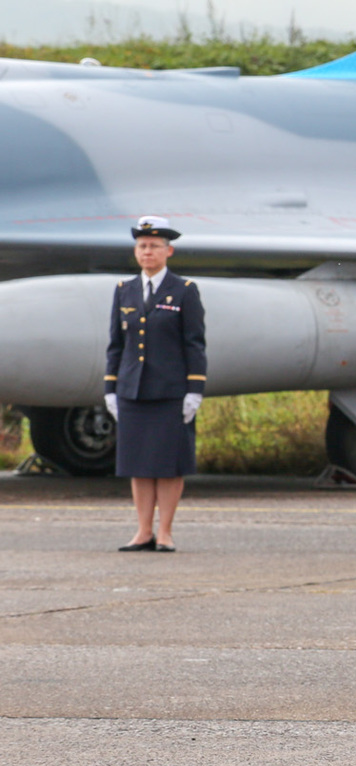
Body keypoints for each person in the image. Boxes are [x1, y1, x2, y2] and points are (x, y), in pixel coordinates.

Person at [105, 217, 206, 552]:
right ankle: (143, 531)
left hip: (170, 391)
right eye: (142, 246)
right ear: (136, 251)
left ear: (169, 251)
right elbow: (116, 344)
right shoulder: (125, 291)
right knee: (139, 464)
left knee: (169, 465)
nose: (147, 251)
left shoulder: (184, 291)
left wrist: (194, 389)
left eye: (154, 246)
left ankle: (165, 532)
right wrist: (110, 388)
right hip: (133, 390)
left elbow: (194, 343)